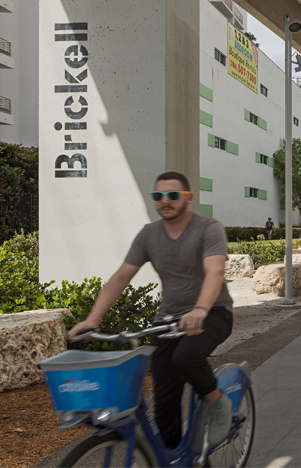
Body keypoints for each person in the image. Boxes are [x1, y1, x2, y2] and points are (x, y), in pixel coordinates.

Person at [67, 171, 235, 450]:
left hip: (213, 312)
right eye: (158, 196)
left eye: (172, 195)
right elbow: (121, 277)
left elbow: (215, 270)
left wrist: (201, 308)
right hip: (167, 321)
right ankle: (172, 459)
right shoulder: (149, 235)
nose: (165, 201)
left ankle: (218, 404)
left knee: (186, 358)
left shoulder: (209, 228)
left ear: (188, 198)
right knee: (164, 402)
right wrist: (93, 319)